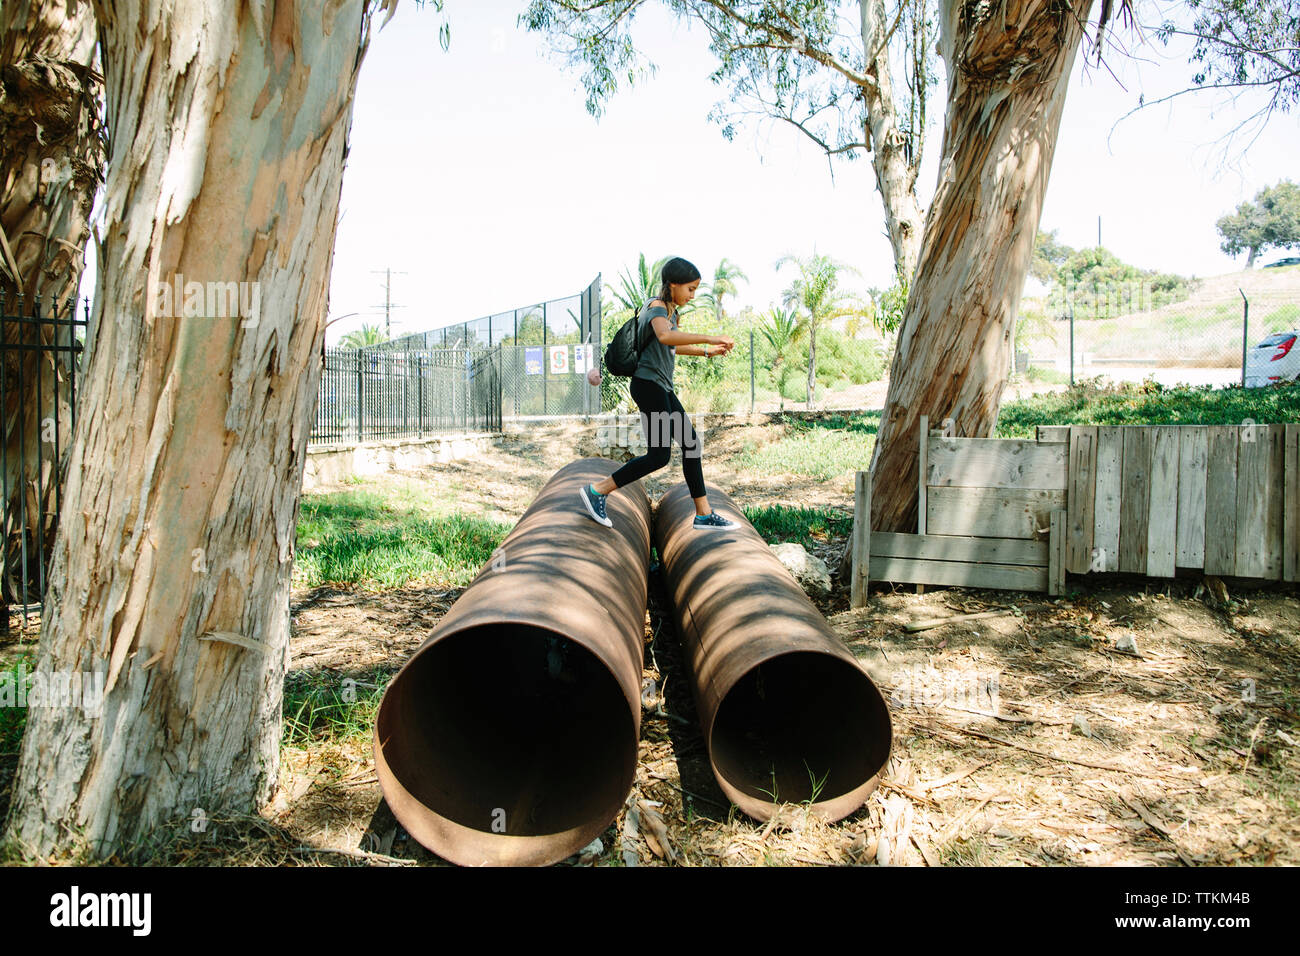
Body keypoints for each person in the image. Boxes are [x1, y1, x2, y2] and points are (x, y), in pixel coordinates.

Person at [579, 257, 737, 529]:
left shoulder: (671, 313)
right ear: (673, 285)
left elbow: (671, 345)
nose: (693, 295)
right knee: (659, 456)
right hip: (648, 386)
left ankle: (703, 514)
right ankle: (597, 491)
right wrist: (710, 337)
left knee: (690, 444)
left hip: (660, 387)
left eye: (696, 289)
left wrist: (706, 352)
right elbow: (665, 337)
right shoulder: (656, 307)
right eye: (690, 289)